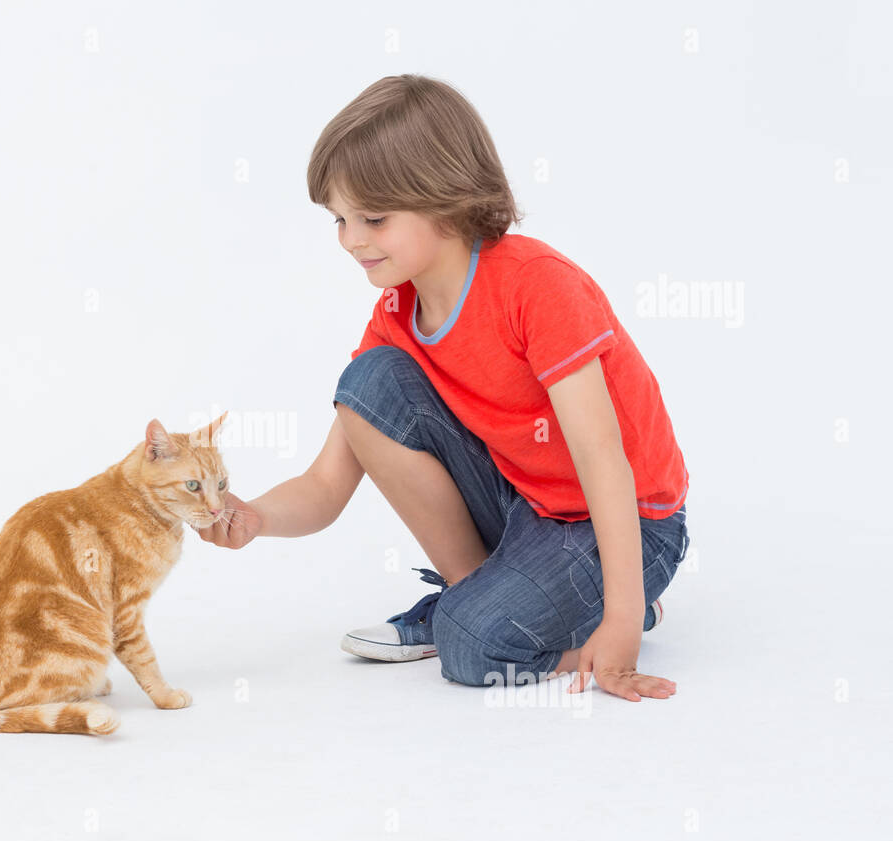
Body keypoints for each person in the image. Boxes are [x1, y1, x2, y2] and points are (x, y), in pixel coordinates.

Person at [198, 74, 691, 703]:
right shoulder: (397, 316)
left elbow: (603, 459)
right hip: (527, 505)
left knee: (470, 647)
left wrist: (620, 622)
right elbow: (326, 485)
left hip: (627, 522)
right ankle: (484, 594)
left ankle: (607, 612)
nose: (351, 240)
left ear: (446, 200)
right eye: (340, 219)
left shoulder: (535, 286)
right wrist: (255, 517)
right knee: (368, 385)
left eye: (373, 218)